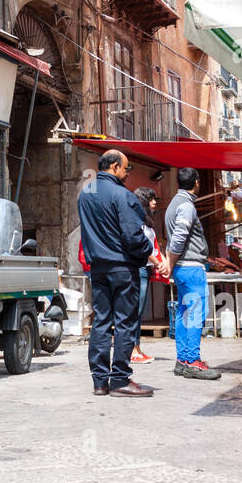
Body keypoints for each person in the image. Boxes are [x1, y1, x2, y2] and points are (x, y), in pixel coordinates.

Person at [78, 149, 159, 398]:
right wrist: (150, 253)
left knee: (101, 322)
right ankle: (120, 380)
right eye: (126, 168)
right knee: (124, 323)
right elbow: (134, 237)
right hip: (123, 268)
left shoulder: (86, 193)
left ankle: (100, 382)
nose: (127, 173)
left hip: (99, 268)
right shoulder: (122, 195)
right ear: (114, 167)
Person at [165, 168, 222, 381]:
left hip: (183, 267)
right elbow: (179, 237)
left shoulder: (174, 204)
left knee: (184, 313)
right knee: (196, 313)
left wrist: (171, 262)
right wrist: (170, 261)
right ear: (197, 183)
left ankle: (182, 360)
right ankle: (191, 361)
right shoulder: (186, 206)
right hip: (189, 267)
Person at [132, 187, 169, 365]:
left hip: (145, 270)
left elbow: (152, 247)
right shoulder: (136, 222)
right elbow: (141, 247)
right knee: (135, 311)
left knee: (138, 312)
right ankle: (132, 350)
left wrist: (161, 263)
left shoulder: (146, 222)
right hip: (138, 269)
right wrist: (157, 262)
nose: (154, 202)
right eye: (151, 199)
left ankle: (136, 348)